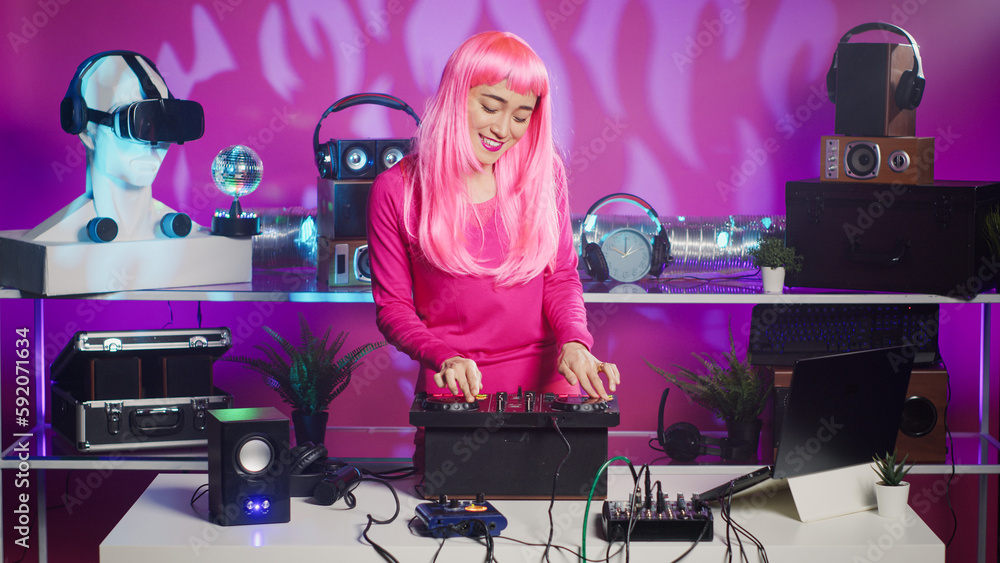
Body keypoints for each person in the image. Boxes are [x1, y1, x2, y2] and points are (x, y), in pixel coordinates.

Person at [367, 31, 620, 403]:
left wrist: (575, 343)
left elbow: (561, 277)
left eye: (521, 116)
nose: (503, 130)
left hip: (548, 387)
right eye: (490, 108)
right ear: (457, 97)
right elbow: (393, 309)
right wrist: (444, 357)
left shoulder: (544, 174)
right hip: (457, 386)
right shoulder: (396, 189)